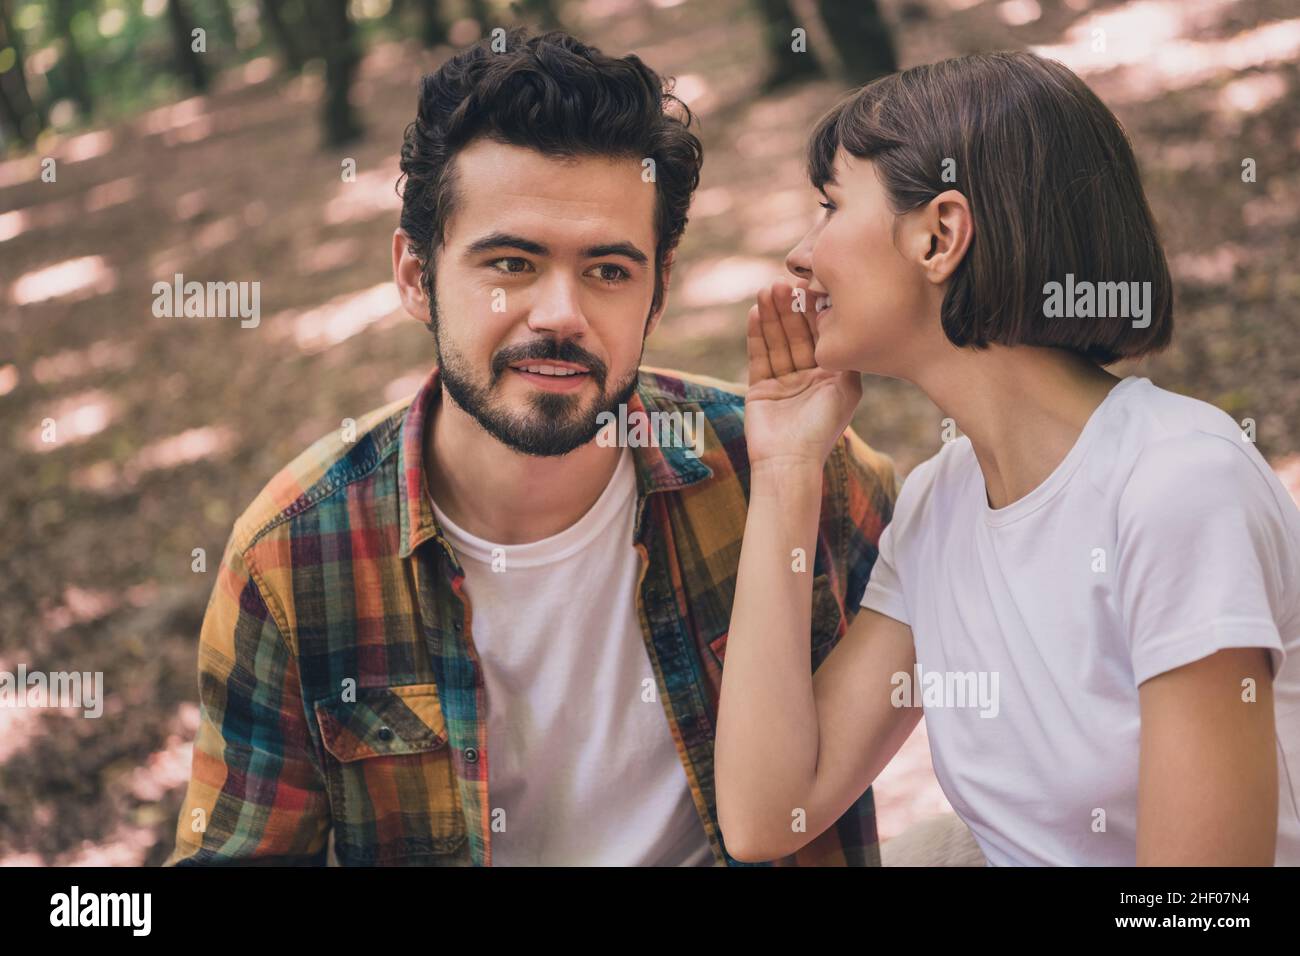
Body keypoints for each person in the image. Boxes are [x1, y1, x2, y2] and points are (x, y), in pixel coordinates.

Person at [166, 29, 899, 866]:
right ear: (415, 276)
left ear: (658, 290)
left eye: (609, 271)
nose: (560, 313)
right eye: (511, 262)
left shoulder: (785, 464)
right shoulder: (296, 557)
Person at [715, 51, 1300, 866]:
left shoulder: (1176, 485)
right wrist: (784, 472)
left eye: (829, 207)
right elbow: (766, 816)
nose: (800, 256)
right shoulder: (939, 502)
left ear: (940, 235)